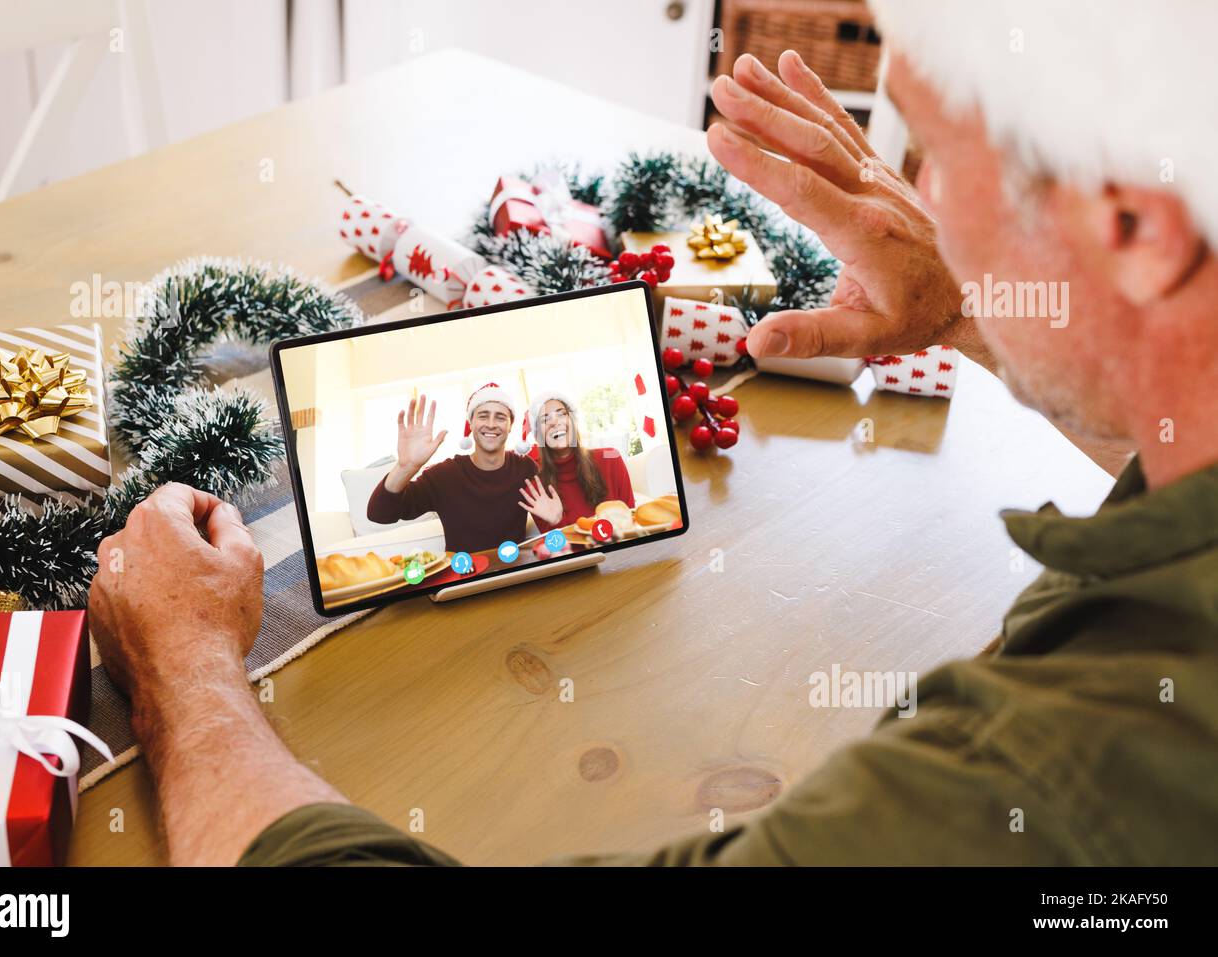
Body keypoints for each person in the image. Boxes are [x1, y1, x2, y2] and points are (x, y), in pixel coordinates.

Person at [89, 0, 1218, 866]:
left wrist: (182, 667)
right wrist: (977, 301)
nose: (908, 196)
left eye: (934, 150)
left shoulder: (1051, 774)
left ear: (1129, 227)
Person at [364, 382, 555, 554]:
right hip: (462, 578)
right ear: (470, 423)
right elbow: (379, 514)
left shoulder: (525, 469)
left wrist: (555, 519)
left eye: (500, 417)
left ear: (510, 425)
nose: (491, 424)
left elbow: (553, 515)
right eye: (483, 416)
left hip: (513, 573)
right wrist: (405, 467)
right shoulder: (443, 475)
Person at [517, 390, 635, 533]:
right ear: (538, 436)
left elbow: (631, 522)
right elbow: (561, 551)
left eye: (561, 414)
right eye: (545, 419)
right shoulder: (537, 492)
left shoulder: (611, 459)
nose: (555, 422)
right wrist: (556, 522)